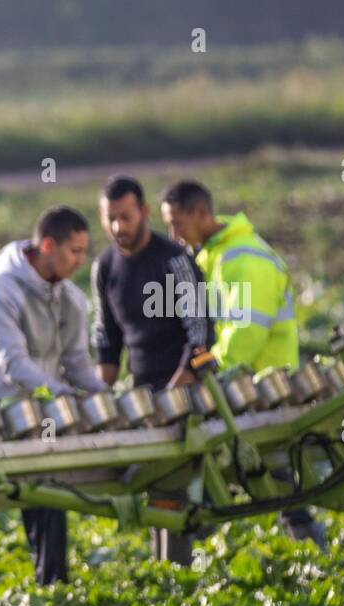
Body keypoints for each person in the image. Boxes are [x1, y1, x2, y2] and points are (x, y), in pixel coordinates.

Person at [0, 206, 109, 606]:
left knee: (48, 500)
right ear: (48, 245)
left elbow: (77, 364)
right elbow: (13, 364)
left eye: (84, 252)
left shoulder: (71, 299)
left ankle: (54, 599)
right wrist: (65, 396)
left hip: (40, 418)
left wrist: (107, 396)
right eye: (73, 251)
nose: (79, 261)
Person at [160, 179, 328, 550]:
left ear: (202, 213)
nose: (173, 233)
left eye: (178, 223)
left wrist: (208, 372)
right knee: (275, 482)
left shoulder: (246, 258)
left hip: (265, 388)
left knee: (274, 478)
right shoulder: (213, 254)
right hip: (244, 389)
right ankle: (307, 549)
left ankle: (310, 551)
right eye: (168, 225)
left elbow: (245, 335)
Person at [91, 174, 213, 565]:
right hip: (142, 388)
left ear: (144, 212)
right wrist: (97, 396)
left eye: (125, 217)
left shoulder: (175, 260)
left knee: (172, 479)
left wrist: (180, 385)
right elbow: (107, 339)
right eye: (110, 219)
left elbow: (199, 331)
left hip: (183, 383)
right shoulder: (104, 266)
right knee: (151, 482)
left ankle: (176, 564)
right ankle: (167, 566)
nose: (117, 228)